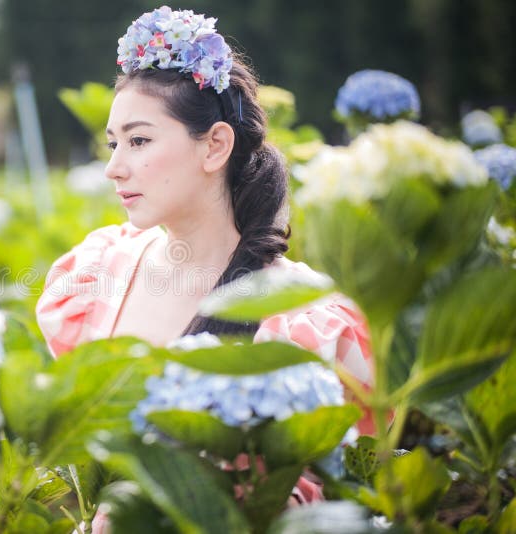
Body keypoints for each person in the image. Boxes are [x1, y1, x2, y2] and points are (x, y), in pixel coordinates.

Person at [36, 5, 376, 509]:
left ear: (215, 146)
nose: (113, 167)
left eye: (138, 140)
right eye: (112, 143)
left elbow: (331, 501)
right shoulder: (96, 274)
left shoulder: (301, 320)